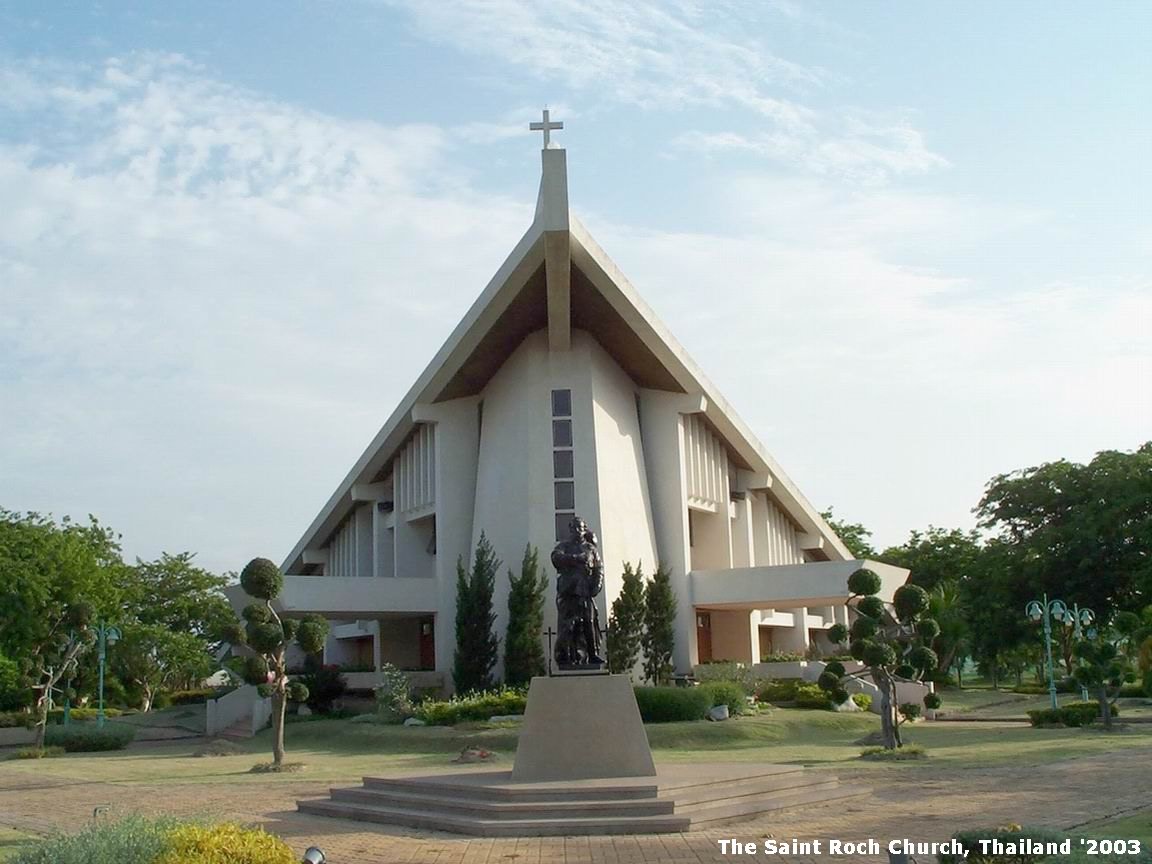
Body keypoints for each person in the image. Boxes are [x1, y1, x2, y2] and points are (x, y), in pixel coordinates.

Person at [551, 515, 605, 668]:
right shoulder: (564, 546)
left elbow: (598, 568)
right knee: (567, 625)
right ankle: (564, 656)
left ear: (584, 529)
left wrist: (596, 585)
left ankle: (592, 654)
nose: (576, 531)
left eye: (579, 528)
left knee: (589, 622)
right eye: (573, 528)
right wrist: (576, 559)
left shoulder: (590, 549)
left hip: (585, 591)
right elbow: (556, 558)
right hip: (568, 591)